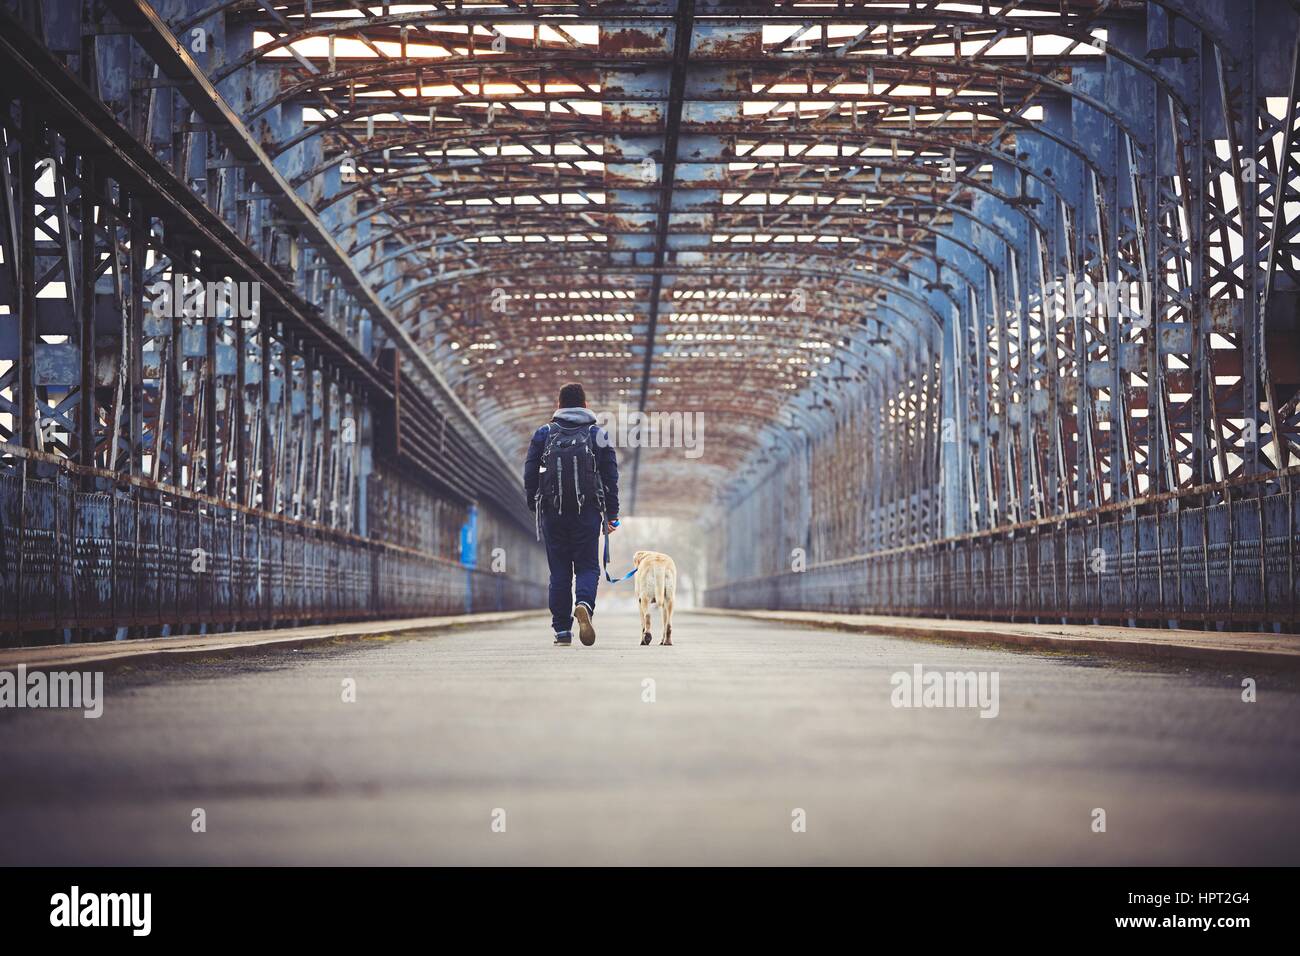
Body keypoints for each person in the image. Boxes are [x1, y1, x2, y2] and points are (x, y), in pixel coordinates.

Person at [523, 383, 620, 646]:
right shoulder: (597, 434)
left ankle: (562, 631)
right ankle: (584, 604)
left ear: (558, 405)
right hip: (587, 512)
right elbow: (610, 476)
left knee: (559, 572)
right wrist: (612, 514)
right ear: (585, 406)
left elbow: (530, 474)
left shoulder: (544, 434)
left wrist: (535, 506)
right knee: (588, 566)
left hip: (553, 513)